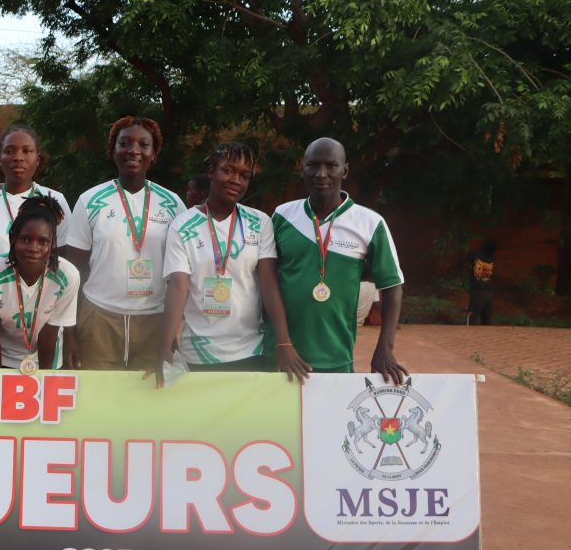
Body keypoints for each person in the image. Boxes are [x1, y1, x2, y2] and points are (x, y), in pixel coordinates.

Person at [156, 143, 308, 382]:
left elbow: (269, 283)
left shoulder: (260, 223)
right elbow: (178, 286)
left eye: (244, 176)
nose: (236, 180)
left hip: (250, 350)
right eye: (228, 171)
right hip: (198, 353)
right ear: (210, 172)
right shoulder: (182, 225)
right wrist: (164, 346)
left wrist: (283, 341)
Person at [263, 137, 406, 381]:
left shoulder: (369, 223)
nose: (321, 174)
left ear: (345, 170)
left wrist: (385, 348)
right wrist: (281, 343)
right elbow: (266, 279)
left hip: (336, 358)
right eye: (313, 165)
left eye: (331, 166)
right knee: (274, 421)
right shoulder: (282, 216)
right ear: (303, 168)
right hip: (279, 354)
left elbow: (392, 286)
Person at [64, 116, 184, 371]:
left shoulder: (173, 204)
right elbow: (72, 273)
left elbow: (181, 275)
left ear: (154, 153)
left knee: (148, 402)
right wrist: (70, 331)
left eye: (143, 144)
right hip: (99, 318)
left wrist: (177, 325)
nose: (134, 150)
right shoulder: (90, 200)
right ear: (113, 150)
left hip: (156, 319)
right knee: (100, 400)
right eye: (125, 143)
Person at [0, 196, 80, 372]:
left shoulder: (68, 276)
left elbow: (49, 333)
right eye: (25, 239)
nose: (33, 248)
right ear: (13, 239)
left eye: (42, 241)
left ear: (53, 244)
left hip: (45, 359)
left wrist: (44, 379)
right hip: (1, 356)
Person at [0, 124, 71, 258]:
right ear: (0, 159)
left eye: (26, 151)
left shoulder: (54, 200)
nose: (18, 157)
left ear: (37, 160)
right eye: (9, 151)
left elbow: (62, 258)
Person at [466, 239, 497, 325]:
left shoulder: (475, 254)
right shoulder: (491, 258)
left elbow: (468, 257)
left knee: (471, 319)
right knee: (486, 321)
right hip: (488, 292)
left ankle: (468, 337)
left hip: (477, 291)